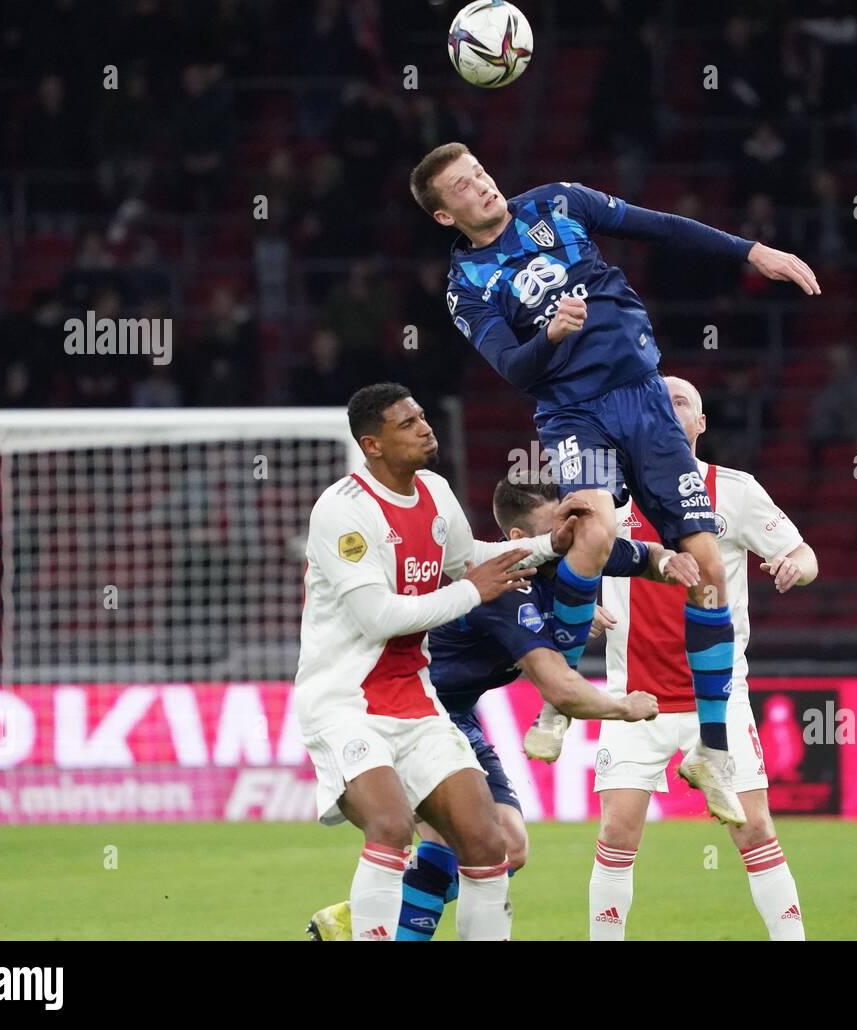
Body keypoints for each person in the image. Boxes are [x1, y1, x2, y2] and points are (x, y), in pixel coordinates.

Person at [409, 142, 821, 825]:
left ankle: (713, 755)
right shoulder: (467, 285)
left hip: (645, 399)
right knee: (593, 530)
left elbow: (658, 225)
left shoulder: (556, 202)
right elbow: (513, 366)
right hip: (573, 411)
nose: (483, 186)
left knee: (710, 568)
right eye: (463, 186)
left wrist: (751, 252)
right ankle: (558, 705)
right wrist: (552, 335)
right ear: (445, 214)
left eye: (481, 171)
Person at [309, 477, 687, 941]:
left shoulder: (576, 558)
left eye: (575, 521)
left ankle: (363, 914)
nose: (573, 532)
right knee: (460, 841)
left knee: (508, 845)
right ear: (521, 539)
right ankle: (379, 917)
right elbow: (558, 687)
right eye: (559, 525)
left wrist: (670, 559)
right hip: (419, 715)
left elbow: (641, 555)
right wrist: (621, 706)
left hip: (458, 717)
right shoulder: (507, 587)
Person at [294, 382, 591, 941]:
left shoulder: (434, 491)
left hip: (415, 698)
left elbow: (469, 559)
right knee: (391, 824)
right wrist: (474, 592)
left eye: (423, 416)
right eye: (406, 424)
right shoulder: (342, 511)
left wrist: (552, 544)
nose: (424, 428)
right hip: (343, 703)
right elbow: (379, 616)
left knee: (488, 843)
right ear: (373, 444)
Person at [584, 376, 817, 941]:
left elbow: (802, 552)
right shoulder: (606, 496)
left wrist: (796, 568)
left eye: (681, 401)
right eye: (656, 401)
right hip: (631, 699)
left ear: (699, 424)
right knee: (617, 832)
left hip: (718, 697)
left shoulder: (734, 490)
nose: (668, 407)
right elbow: (568, 564)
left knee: (754, 827)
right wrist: (580, 601)